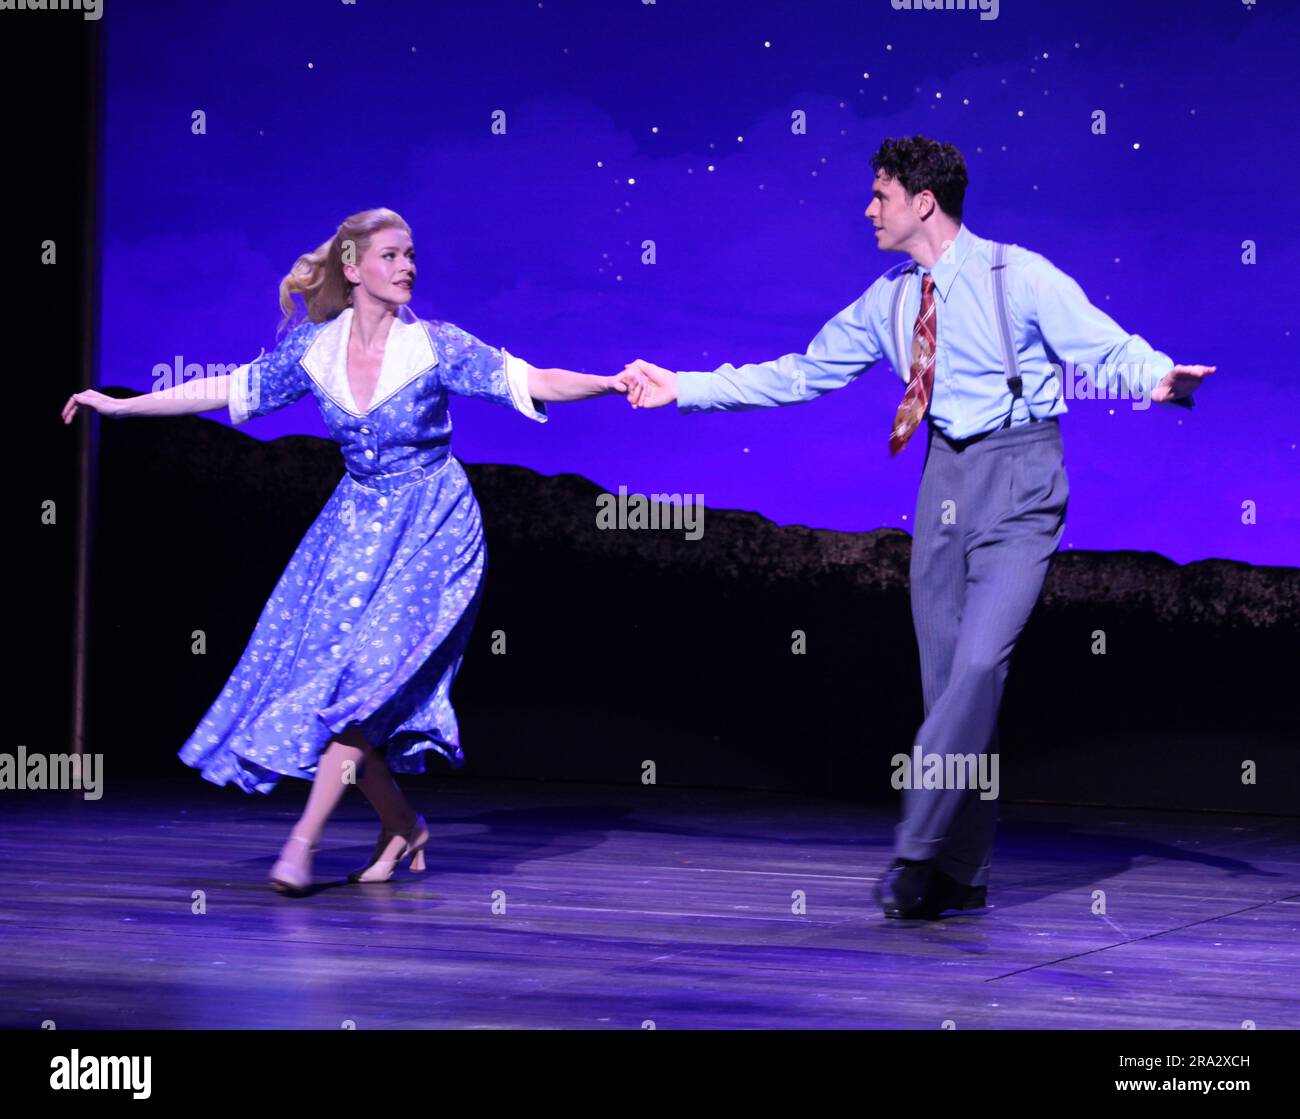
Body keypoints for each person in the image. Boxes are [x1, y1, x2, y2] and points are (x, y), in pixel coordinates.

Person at [621, 136, 1215, 920]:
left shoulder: (1019, 273)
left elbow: (1099, 344)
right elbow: (801, 372)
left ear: (922, 202)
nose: (868, 209)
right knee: (947, 690)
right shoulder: (890, 299)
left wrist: (1157, 376)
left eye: (880, 194)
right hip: (942, 483)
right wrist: (686, 388)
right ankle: (961, 873)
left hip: (1021, 479)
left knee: (977, 673)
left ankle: (916, 847)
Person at [63, 207, 641, 896]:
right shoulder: (314, 350)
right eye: (392, 255)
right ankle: (404, 824)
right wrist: (123, 407)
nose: (407, 267)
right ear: (352, 265)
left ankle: (299, 847)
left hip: (434, 526)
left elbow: (532, 379)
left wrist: (606, 383)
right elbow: (227, 389)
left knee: (361, 687)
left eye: (411, 256)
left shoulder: (437, 346)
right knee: (334, 689)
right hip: (351, 533)